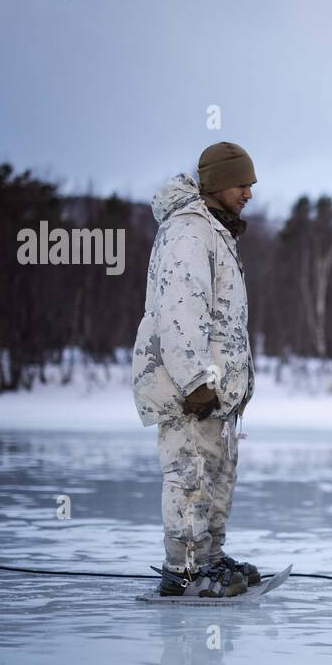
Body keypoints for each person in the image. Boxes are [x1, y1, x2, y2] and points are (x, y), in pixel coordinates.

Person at [131, 142, 262, 597]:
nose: (249, 192)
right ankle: (183, 570)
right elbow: (180, 311)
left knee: (217, 475)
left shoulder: (216, 231)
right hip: (193, 389)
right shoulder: (189, 231)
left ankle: (208, 558)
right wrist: (196, 380)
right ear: (218, 183)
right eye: (242, 183)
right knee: (189, 474)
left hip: (217, 390)